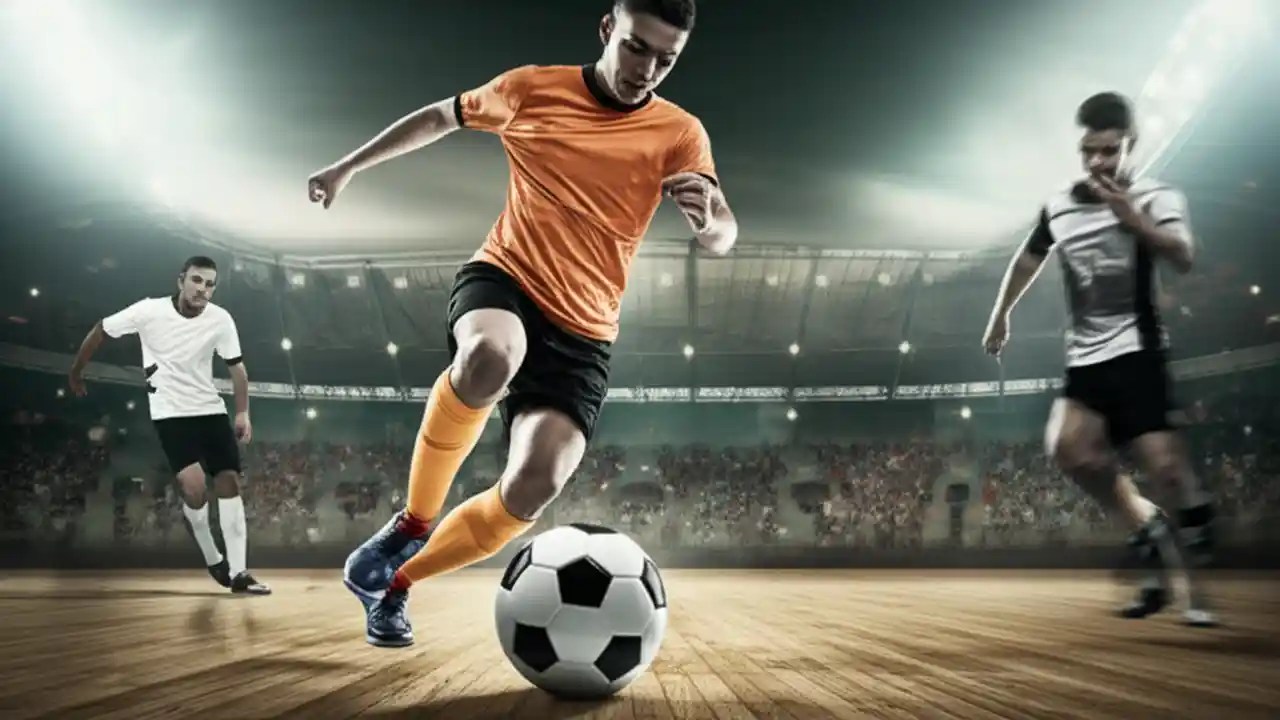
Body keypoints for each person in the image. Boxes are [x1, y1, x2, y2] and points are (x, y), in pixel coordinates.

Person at [308, 0, 735, 646]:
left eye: (666, 60)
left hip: (585, 331)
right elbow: (439, 116)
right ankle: (412, 524)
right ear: (607, 29)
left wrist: (711, 222)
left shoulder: (680, 133)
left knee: (535, 486)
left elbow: (723, 231)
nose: (647, 70)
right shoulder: (531, 90)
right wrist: (347, 167)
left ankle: (394, 585)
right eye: (636, 47)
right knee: (490, 358)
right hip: (507, 278)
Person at [982, 91, 1215, 626]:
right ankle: (1147, 531)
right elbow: (1027, 260)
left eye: (1109, 151)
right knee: (1069, 451)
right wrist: (1000, 316)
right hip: (1086, 355)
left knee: (1166, 472)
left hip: (1138, 349)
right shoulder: (1059, 205)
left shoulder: (1156, 196)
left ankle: (1198, 595)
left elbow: (1183, 255)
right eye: (1088, 151)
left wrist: (1135, 222)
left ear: (1130, 145)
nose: (1097, 162)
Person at [69, 256, 271, 595]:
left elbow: (237, 368)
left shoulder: (221, 319)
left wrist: (242, 413)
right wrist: (76, 370)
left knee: (229, 482)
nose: (202, 289)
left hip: (209, 411)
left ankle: (239, 573)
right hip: (170, 414)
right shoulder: (149, 311)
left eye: (209, 284)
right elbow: (101, 329)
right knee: (195, 489)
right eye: (196, 280)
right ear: (181, 281)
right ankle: (212, 556)